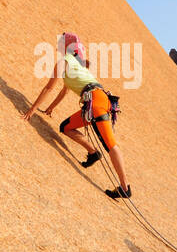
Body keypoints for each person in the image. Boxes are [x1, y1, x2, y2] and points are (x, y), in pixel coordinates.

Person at [22, 32, 132, 199]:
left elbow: (48, 88)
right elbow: (64, 91)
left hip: (95, 103)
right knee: (66, 127)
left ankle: (125, 187)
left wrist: (31, 110)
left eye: (61, 42)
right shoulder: (75, 64)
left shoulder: (64, 62)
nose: (58, 45)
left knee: (110, 145)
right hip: (99, 100)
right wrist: (50, 108)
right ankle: (93, 152)